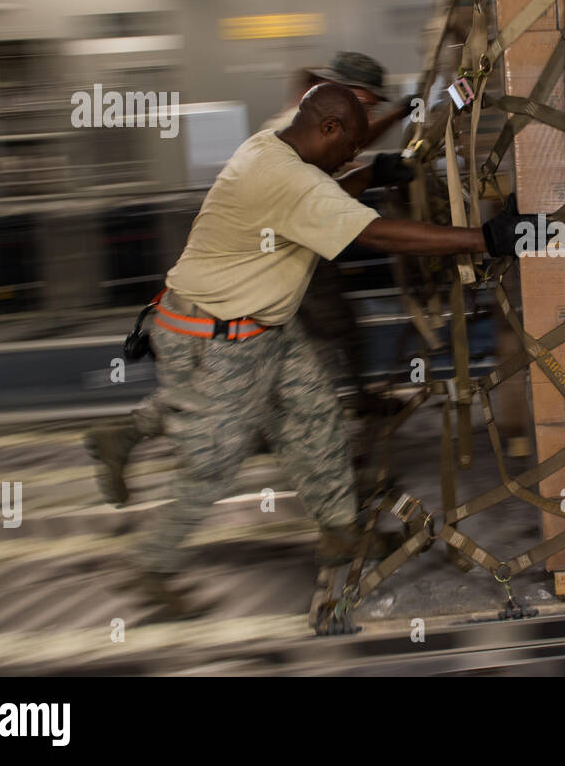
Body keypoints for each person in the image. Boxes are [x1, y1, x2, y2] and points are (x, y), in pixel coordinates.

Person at [123, 82, 524, 622]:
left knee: (316, 416)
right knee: (213, 461)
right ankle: (150, 566)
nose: (350, 159)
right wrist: (484, 240)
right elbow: (377, 234)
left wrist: (374, 174)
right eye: (349, 148)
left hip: (264, 327)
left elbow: (328, 185)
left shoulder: (271, 144)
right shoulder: (284, 177)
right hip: (211, 336)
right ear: (328, 127)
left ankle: (339, 532)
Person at [83, 52, 408, 504]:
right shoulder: (296, 131)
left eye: (373, 107)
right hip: (263, 276)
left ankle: (335, 499)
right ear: (342, 100)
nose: (366, 117)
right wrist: (482, 239)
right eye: (366, 104)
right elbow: (336, 203)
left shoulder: (310, 124)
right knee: (272, 384)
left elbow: (331, 184)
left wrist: (377, 162)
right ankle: (324, 488)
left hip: (273, 270)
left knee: (285, 383)